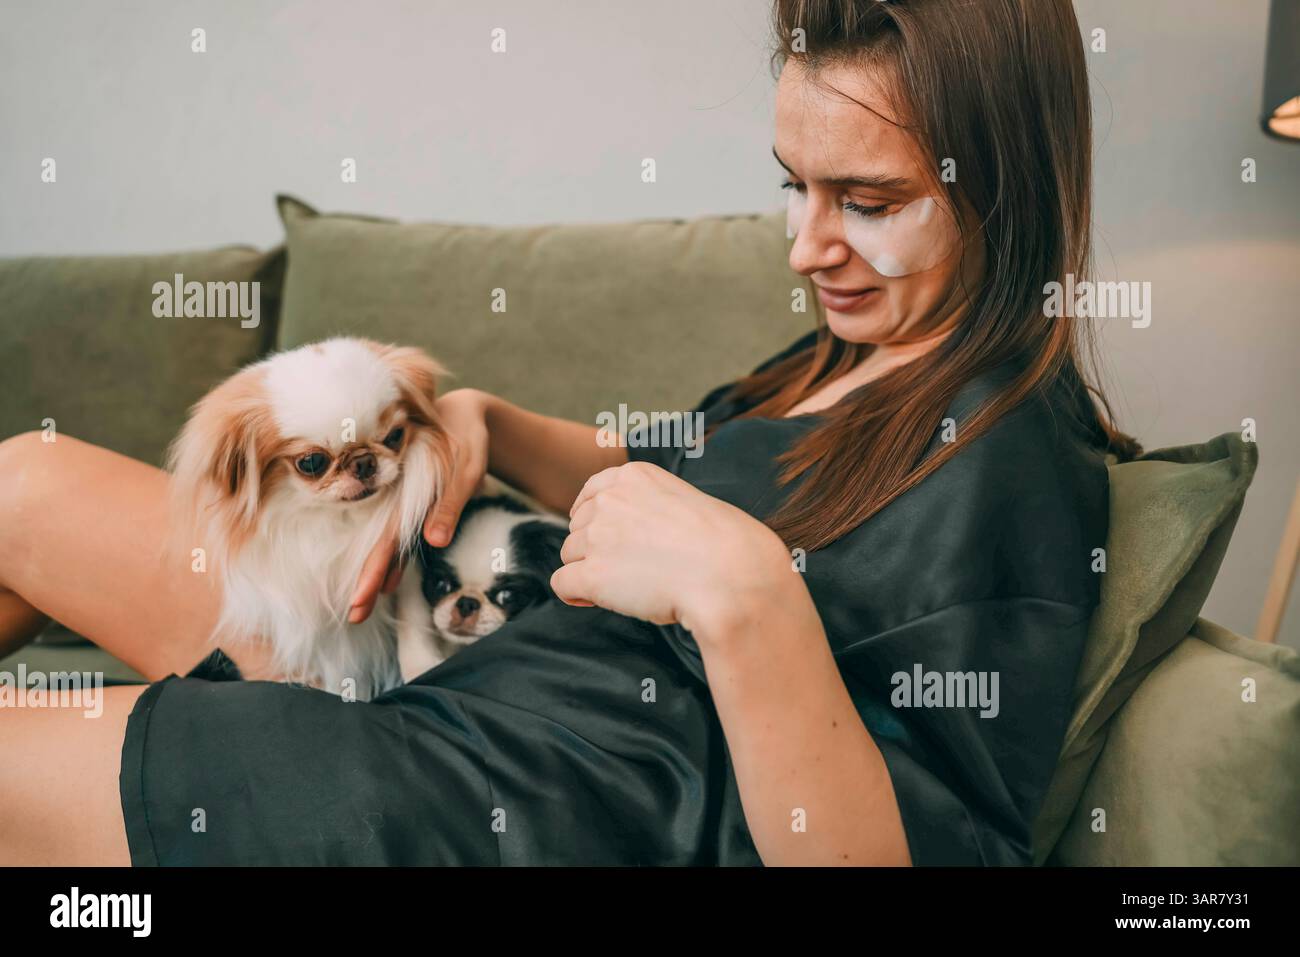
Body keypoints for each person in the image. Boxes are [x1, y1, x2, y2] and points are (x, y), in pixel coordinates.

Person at [0, 0, 1134, 866]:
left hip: (496, 790)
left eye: (867, 202)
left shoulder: (1010, 457)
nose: (805, 245)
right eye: (792, 186)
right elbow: (656, 466)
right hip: (454, 680)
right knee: (25, 485)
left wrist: (746, 600)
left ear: (1004, 185)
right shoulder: (846, 356)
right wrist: (488, 419)